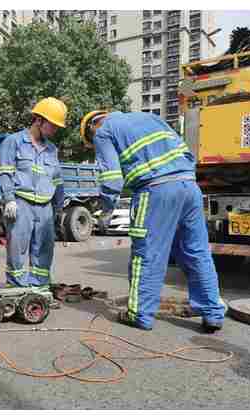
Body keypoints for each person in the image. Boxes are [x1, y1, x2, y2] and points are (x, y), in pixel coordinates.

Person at [80, 110, 225, 333]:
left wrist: (106, 210)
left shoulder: (103, 131)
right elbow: (185, 151)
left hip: (155, 190)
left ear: (91, 127)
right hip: (189, 187)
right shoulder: (150, 118)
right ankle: (213, 313)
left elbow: (112, 178)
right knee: (197, 252)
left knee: (147, 255)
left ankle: (140, 314)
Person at [0, 97, 67, 287]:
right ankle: (17, 289)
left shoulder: (52, 149)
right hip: (21, 204)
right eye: (53, 125)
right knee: (17, 250)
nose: (55, 130)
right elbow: (4, 173)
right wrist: (9, 199)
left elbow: (57, 180)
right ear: (38, 120)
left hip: (45, 208)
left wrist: (59, 208)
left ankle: (40, 290)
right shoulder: (14, 142)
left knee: (44, 251)